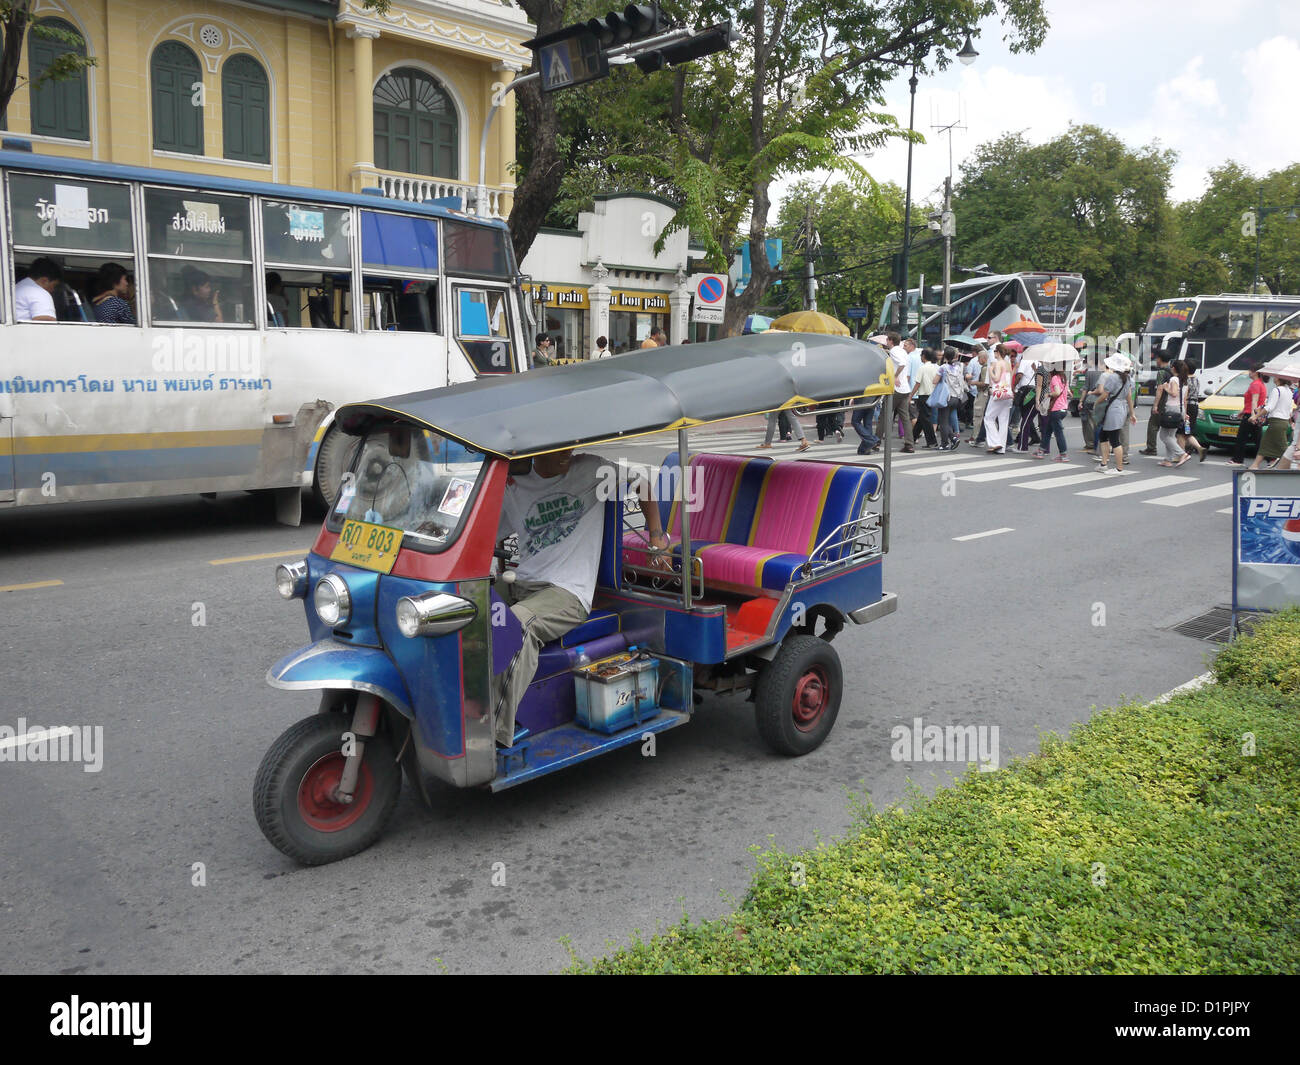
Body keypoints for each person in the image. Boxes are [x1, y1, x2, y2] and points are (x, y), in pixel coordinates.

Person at [493, 449, 669, 747]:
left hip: (567, 592)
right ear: (535, 451)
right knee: (466, 604)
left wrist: (656, 537)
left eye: (569, 446)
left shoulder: (589, 469)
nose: (566, 453)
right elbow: (489, 532)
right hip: (523, 585)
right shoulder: (514, 483)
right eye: (557, 447)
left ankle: (493, 733)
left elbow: (642, 483)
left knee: (518, 625)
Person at [1095, 353, 1137, 474]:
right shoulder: (1128, 378)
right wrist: (1132, 413)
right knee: (1103, 436)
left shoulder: (1113, 377)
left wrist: (1096, 403)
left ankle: (1119, 468)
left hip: (1114, 409)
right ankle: (1103, 464)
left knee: (1114, 439)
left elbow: (1104, 394)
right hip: (1121, 408)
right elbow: (1129, 397)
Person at [1250, 373, 1296, 470]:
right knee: (1265, 443)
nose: (1273, 378)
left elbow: (1269, 407)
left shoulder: (1277, 390)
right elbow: (1288, 410)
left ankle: (1294, 465)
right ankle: (1255, 465)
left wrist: (1256, 416)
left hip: (1276, 422)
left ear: (1279, 379)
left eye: (1275, 377)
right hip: (1283, 422)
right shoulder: (1289, 391)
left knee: (1284, 448)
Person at [1033, 363, 1072, 461]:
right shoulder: (1063, 377)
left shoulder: (1055, 378)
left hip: (1056, 409)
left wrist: (1048, 394)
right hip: (1063, 408)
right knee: (1048, 431)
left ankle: (1063, 455)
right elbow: (1069, 393)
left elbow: (1057, 392)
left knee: (1058, 433)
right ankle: (1041, 451)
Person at [1153, 364, 1190, 467]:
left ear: (1174, 368)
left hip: (1172, 409)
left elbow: (1174, 394)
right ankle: (1168, 460)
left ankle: (1182, 454)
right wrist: (1185, 413)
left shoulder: (1174, 379)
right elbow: (1184, 399)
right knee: (1171, 436)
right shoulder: (1185, 381)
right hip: (1180, 409)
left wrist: (1166, 388)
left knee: (1164, 435)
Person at [1229, 368, 1266, 466]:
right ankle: (1271, 458)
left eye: (1251, 371)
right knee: (1257, 439)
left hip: (1251, 415)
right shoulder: (1260, 384)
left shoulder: (1255, 384)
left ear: (1256, 373)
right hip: (1252, 413)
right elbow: (1252, 402)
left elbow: (1255, 400)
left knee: (1242, 437)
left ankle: (1237, 459)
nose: (1249, 372)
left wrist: (1253, 415)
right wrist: (1243, 411)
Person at [1138, 352, 1172, 455]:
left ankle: (1151, 448)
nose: (1156, 361)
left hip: (1162, 400)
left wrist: (1155, 405)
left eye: (1157, 358)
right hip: (1171, 400)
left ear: (1160, 359)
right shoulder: (1172, 371)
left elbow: (1160, 389)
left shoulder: (1161, 372)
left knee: (1153, 424)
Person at [1172, 360, 1206, 462]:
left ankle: (1181, 454)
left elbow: (1184, 397)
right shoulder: (1196, 380)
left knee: (1180, 432)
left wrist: (1184, 412)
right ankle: (1199, 448)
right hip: (1195, 406)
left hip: (1187, 406)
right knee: (1187, 430)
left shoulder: (1185, 381)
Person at [983, 344, 1014, 454]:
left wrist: (990, 370)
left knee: (988, 418)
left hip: (998, 393)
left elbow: (996, 379)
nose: (994, 353)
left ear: (998, 352)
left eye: (995, 351)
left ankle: (995, 443)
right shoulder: (1008, 364)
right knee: (1003, 421)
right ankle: (1001, 447)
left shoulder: (998, 364)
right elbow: (1010, 379)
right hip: (1007, 394)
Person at [888, 338, 916, 453]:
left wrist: (895, 376)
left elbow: (902, 364)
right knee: (905, 418)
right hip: (905, 389)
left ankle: (876, 442)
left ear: (890, 340)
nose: (904, 346)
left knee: (884, 416)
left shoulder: (894, 351)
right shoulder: (904, 353)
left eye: (906, 345)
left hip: (897, 388)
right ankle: (909, 444)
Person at [14, 256, 62, 322]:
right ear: (44, 281)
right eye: (53, 285)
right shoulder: (39, 294)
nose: (52, 290)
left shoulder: (17, 287)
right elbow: (46, 326)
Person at [937, 349, 965, 451]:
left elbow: (935, 380)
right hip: (956, 397)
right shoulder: (958, 368)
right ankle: (953, 438)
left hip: (946, 397)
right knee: (946, 420)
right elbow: (961, 382)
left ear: (945, 357)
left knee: (943, 421)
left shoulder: (943, 368)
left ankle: (945, 443)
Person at [912, 348, 940, 448]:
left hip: (923, 395)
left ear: (924, 356)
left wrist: (910, 395)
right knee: (922, 418)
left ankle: (932, 441)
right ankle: (912, 437)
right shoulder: (936, 367)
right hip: (933, 395)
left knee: (926, 419)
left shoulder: (922, 368)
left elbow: (917, 383)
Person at [967, 347, 990, 446]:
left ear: (984, 358)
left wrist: (974, 382)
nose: (978, 360)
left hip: (982, 394)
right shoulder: (986, 367)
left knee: (978, 416)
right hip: (984, 394)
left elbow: (984, 383)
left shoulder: (985, 368)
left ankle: (977, 437)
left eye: (979, 358)